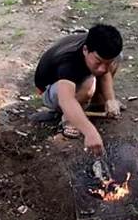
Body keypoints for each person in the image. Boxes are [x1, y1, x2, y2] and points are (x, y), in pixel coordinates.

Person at [34, 24, 123, 156]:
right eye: (98, 62)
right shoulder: (69, 62)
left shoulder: (98, 46)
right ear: (85, 50)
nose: (103, 69)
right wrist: (90, 132)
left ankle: (97, 102)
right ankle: (67, 117)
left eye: (106, 64)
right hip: (51, 90)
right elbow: (66, 99)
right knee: (88, 84)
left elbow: (105, 69)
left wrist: (110, 99)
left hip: (75, 78)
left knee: (117, 58)